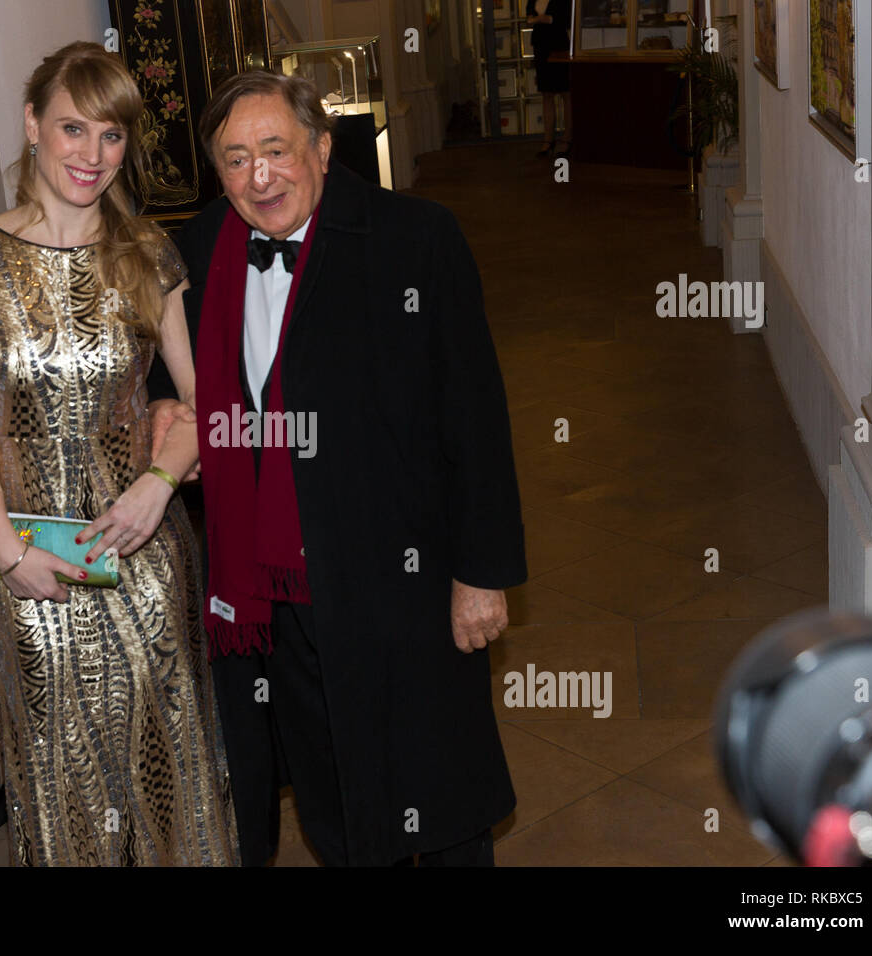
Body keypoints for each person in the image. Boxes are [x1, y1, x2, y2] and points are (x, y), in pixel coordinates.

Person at [147, 70, 527, 866]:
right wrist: (163, 411)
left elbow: (475, 417)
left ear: (322, 148)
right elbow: (176, 368)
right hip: (275, 589)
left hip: (403, 576)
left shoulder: (416, 239)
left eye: (277, 149)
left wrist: (481, 572)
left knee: (435, 786)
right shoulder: (205, 245)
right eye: (236, 158)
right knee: (332, 790)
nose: (260, 177)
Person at [0, 41, 237, 866]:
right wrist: (6, 549)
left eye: (111, 137)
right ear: (32, 125)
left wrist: (159, 488)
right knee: (61, 775)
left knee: (171, 766)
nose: (91, 157)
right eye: (72, 129)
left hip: (145, 552)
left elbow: (209, 402)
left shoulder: (149, 256)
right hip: (26, 564)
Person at [527, 0, 573, 157]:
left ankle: (567, 137)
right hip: (541, 46)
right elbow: (529, 16)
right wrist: (537, 19)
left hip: (559, 45)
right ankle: (548, 139)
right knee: (546, 93)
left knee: (566, 92)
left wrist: (548, 19)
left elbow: (568, 20)